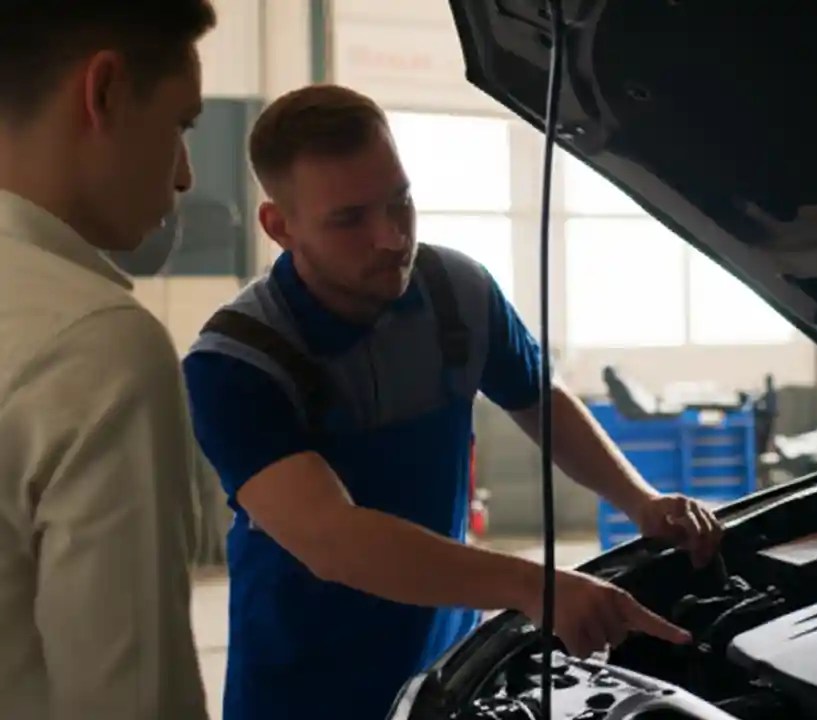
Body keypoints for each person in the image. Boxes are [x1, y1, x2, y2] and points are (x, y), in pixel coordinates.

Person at [182, 83, 725, 720]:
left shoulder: (458, 295)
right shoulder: (236, 363)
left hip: (449, 676)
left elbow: (539, 399)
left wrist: (639, 499)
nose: (392, 238)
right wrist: (535, 586)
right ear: (280, 226)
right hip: (302, 694)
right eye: (350, 220)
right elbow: (334, 540)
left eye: (401, 201)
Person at [0, 3, 218, 719]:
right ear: (104, 92)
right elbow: (132, 701)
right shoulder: (98, 347)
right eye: (181, 125)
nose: (184, 175)